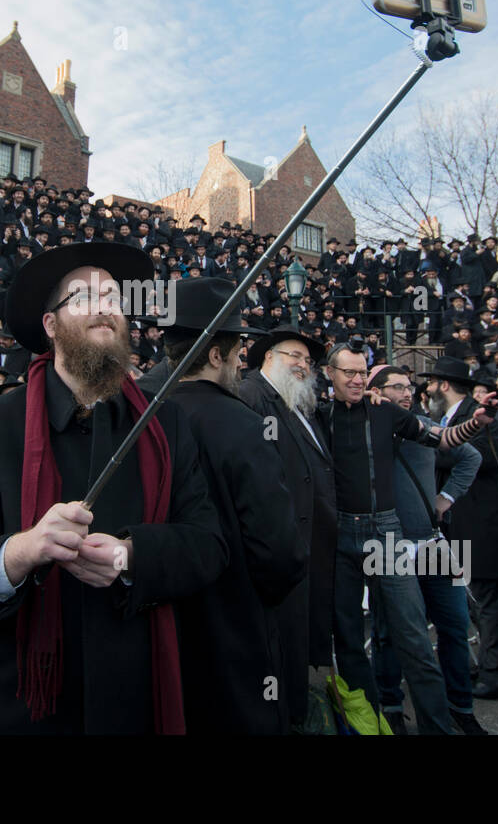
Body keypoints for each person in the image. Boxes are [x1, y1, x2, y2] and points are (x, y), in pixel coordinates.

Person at [0, 243, 227, 734]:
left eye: (113, 294)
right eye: (84, 296)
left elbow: (209, 545)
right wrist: (24, 549)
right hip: (23, 707)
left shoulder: (164, 422)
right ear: (50, 325)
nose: (106, 304)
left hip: (136, 698)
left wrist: (132, 556)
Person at [319, 347, 494, 733]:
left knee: (414, 637)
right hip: (341, 533)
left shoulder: (388, 413)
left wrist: (476, 423)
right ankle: (373, 722)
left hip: (390, 534)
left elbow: (444, 439)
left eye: (361, 372)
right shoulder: (319, 416)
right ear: (329, 374)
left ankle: (443, 723)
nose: (356, 379)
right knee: (350, 637)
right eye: (347, 372)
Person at [161, 277, 306, 734]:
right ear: (215, 354)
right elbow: (278, 548)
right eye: (238, 348)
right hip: (234, 626)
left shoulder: (143, 417)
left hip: (162, 625)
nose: (242, 359)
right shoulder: (246, 424)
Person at [366, 364, 487, 735]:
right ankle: (390, 707)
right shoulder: (364, 427)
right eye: (397, 386)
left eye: (410, 386)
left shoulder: (425, 427)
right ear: (377, 391)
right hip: (386, 546)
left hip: (435, 541)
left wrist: (446, 498)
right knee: (389, 632)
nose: (407, 392)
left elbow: (471, 457)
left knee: (455, 626)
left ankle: (461, 709)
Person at [236, 326, 334, 728]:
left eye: (308, 361)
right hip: (277, 549)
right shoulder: (252, 396)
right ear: (267, 358)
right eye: (294, 355)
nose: (302, 364)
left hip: (302, 548)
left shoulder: (296, 403)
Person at [419, 356, 498, 701]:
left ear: (445, 386)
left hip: (488, 532)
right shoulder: (450, 417)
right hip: (464, 532)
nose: (427, 389)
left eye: (432, 383)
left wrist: (426, 448)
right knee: (477, 606)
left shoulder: (480, 418)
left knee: (492, 608)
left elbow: (476, 457)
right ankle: (484, 666)